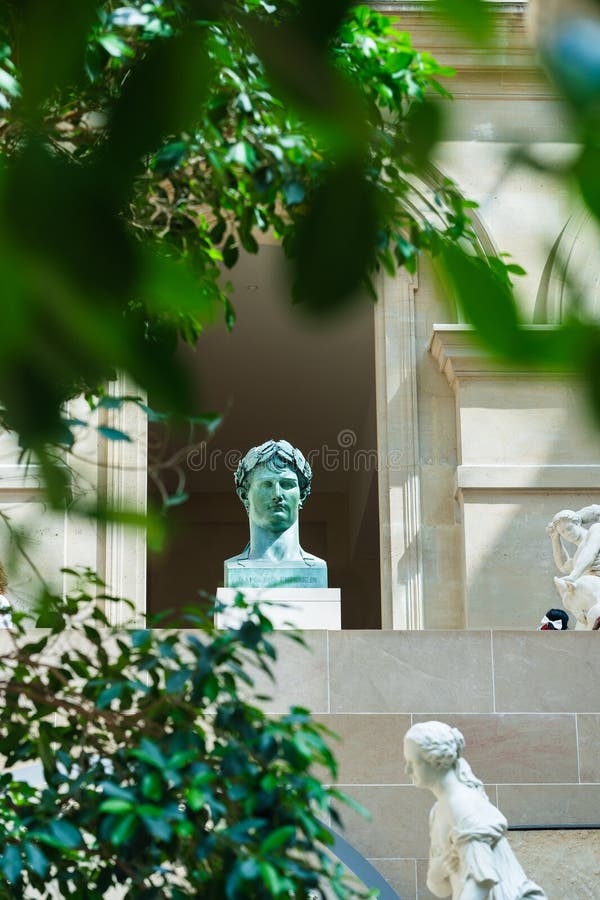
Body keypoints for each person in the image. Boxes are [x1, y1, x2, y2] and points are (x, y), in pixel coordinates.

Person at [404, 721, 546, 900]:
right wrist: (436, 873)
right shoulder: (438, 811)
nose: (406, 770)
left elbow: (482, 881)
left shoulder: (462, 804)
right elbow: (442, 889)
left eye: (412, 762)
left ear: (436, 760)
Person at [224, 439, 327, 585]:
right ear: (244, 495)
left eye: (287, 484)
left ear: (302, 495)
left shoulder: (317, 567)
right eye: (266, 484)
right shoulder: (234, 567)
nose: (277, 494)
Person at [546, 508, 600, 629]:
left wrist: (573, 576)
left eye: (569, 528)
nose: (567, 534)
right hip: (589, 597)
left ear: (578, 524)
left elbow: (590, 553)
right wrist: (555, 538)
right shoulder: (578, 557)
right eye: (563, 533)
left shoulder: (596, 530)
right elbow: (564, 566)